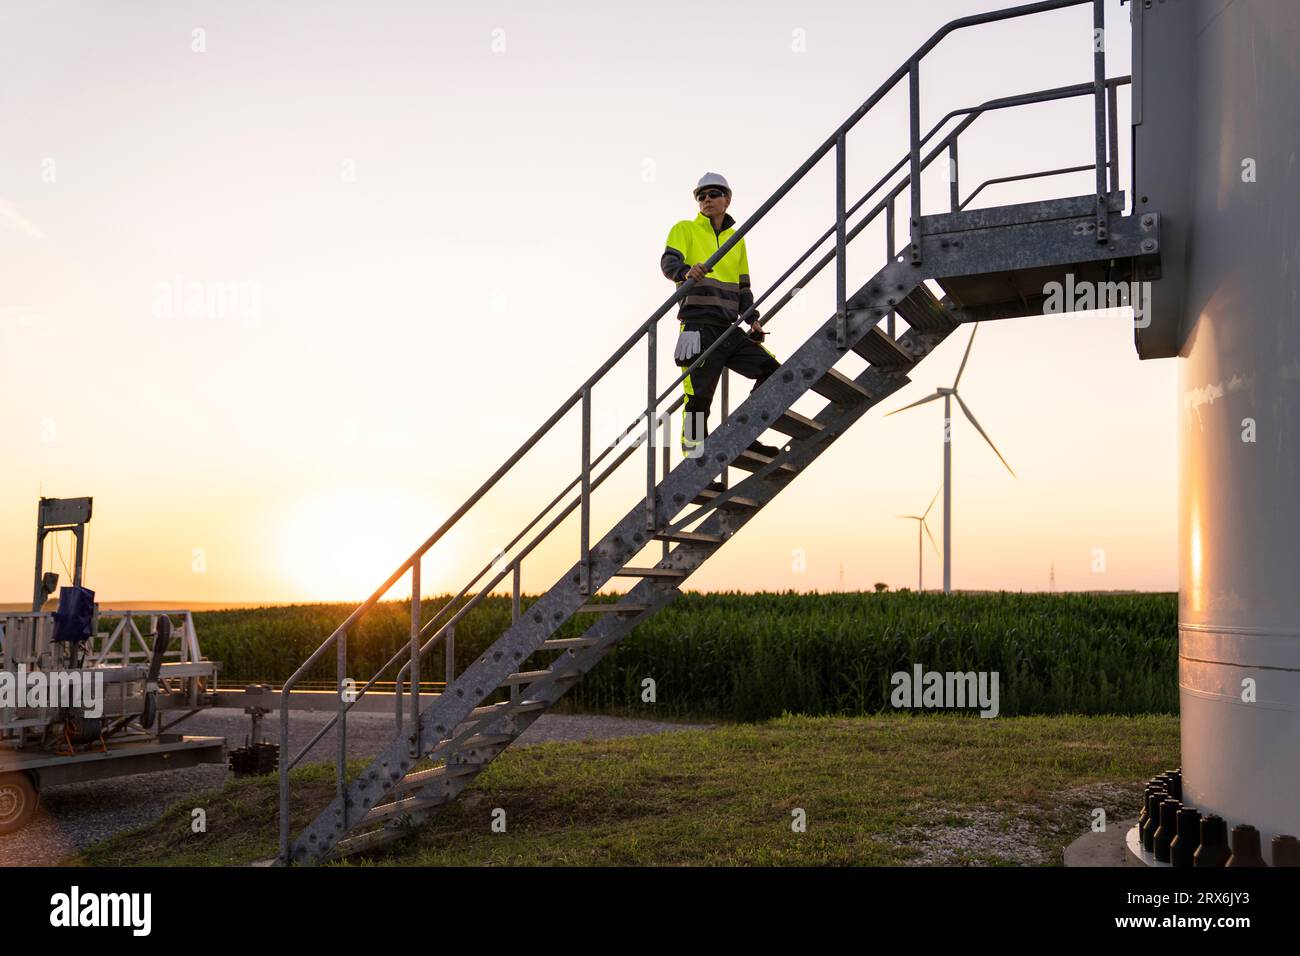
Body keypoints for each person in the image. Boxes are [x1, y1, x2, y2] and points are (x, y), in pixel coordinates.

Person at [660, 173, 781, 476]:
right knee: (698, 399)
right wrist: (687, 272)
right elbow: (669, 264)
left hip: (729, 328)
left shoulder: (736, 240)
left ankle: (744, 435)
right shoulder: (684, 229)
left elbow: (743, 289)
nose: (707, 200)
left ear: (727, 199)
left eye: (714, 194)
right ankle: (694, 465)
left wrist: (753, 320)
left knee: (773, 372)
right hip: (697, 327)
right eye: (701, 196)